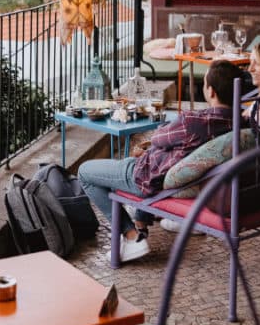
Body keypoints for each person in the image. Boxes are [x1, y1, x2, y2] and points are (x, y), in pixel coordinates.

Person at [78, 60, 244, 263]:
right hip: (177, 174)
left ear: (211, 91)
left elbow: (157, 138)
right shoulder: (240, 122)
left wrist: (168, 130)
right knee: (131, 159)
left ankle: (132, 237)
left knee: (84, 172)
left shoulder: (195, 122)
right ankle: (140, 221)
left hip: (148, 177)